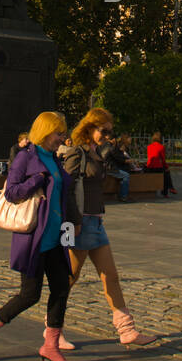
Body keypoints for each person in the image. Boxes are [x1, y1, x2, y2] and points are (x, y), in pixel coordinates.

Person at [0, 112, 83, 361]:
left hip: (57, 236)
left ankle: (50, 346)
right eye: (59, 133)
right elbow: (11, 192)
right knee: (29, 295)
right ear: (45, 132)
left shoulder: (55, 159)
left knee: (61, 288)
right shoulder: (26, 157)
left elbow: (65, 194)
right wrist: (37, 180)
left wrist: (75, 222)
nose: (62, 137)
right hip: (34, 238)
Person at [62, 109, 158, 347]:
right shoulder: (77, 153)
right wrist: (73, 223)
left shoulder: (99, 153)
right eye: (102, 131)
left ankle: (127, 330)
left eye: (109, 131)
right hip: (79, 223)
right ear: (89, 129)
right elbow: (65, 188)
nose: (107, 135)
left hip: (96, 222)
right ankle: (52, 329)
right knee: (69, 278)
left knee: (111, 277)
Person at [105, 133, 142, 204]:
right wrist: (128, 160)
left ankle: (122, 195)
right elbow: (118, 157)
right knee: (126, 175)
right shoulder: (112, 146)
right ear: (113, 140)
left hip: (110, 167)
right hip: (110, 168)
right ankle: (123, 197)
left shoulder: (108, 145)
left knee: (125, 174)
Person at [146, 131, 176, 197]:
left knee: (165, 174)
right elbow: (163, 159)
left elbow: (149, 157)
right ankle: (166, 191)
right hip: (157, 167)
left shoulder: (149, 146)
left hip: (149, 167)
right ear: (160, 139)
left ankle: (171, 188)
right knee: (166, 174)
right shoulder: (161, 147)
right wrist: (167, 167)